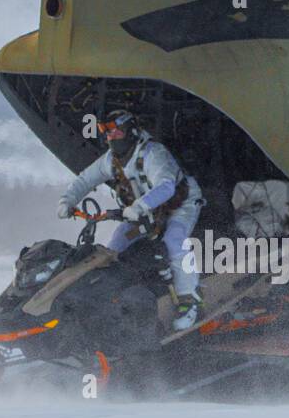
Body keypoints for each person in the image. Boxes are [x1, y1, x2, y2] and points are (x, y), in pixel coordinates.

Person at [57, 109, 204, 330]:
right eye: (106, 132)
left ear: (131, 131)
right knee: (114, 249)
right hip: (146, 214)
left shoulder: (154, 153)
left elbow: (166, 186)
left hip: (179, 206)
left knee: (175, 241)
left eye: (116, 132)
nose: (111, 138)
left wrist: (139, 206)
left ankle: (189, 300)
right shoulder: (110, 161)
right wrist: (68, 200)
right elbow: (85, 180)